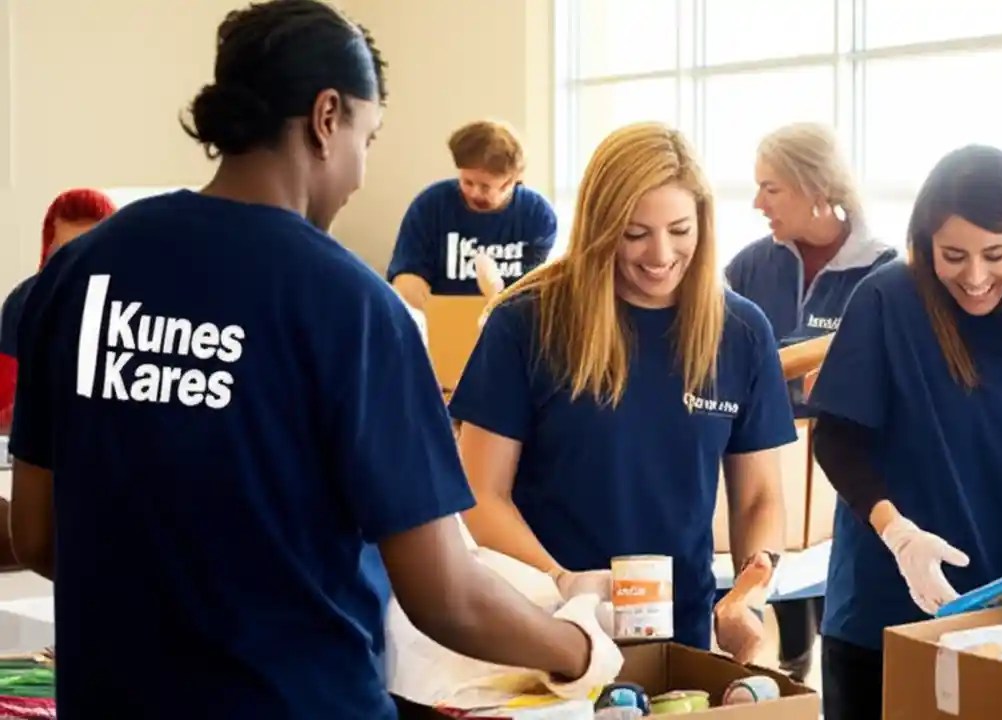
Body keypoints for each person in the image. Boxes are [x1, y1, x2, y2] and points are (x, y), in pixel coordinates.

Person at [6, 2, 619, 717]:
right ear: (328, 117)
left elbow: (40, 536)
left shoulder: (80, 273)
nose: (360, 172)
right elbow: (446, 597)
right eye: (368, 137)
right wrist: (578, 647)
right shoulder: (354, 309)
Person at [449, 121, 796, 662]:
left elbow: (758, 498)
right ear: (599, 224)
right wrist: (562, 584)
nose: (660, 255)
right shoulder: (526, 323)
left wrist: (749, 593)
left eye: (680, 230)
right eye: (635, 233)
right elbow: (480, 493)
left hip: (678, 640)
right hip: (544, 633)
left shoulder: (741, 333)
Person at [807, 145, 1002, 720]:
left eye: (996, 255)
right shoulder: (886, 301)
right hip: (885, 618)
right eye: (952, 255)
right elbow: (835, 439)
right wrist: (898, 534)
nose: (975, 278)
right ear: (925, 243)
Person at [723, 122, 896, 682]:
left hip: (836, 471)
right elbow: (714, 347)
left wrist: (779, 362)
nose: (757, 203)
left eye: (770, 188)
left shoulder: (882, 270)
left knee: (821, 615)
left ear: (814, 185)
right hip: (759, 462)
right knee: (769, 605)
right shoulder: (751, 265)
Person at [388, 119, 557, 312]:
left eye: (485, 187)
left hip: (508, 327)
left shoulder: (538, 215)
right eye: (467, 182)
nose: (474, 193)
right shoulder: (430, 206)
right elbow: (407, 278)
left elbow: (533, 294)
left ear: (511, 181)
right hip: (440, 325)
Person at [0, 189, 116, 433]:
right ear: (48, 251)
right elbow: (4, 409)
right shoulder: (24, 302)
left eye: (89, 253)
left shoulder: (135, 305)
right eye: (65, 254)